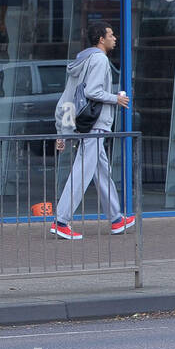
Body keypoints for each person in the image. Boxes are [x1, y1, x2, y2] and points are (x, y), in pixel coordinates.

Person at [50, 23, 135, 240]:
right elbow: (93, 91)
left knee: (101, 172)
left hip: (86, 124)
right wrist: (116, 98)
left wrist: (63, 131)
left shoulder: (82, 61)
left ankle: (116, 219)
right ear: (100, 39)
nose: (115, 38)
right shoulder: (99, 59)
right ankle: (61, 220)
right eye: (111, 34)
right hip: (96, 124)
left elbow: (68, 98)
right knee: (82, 172)